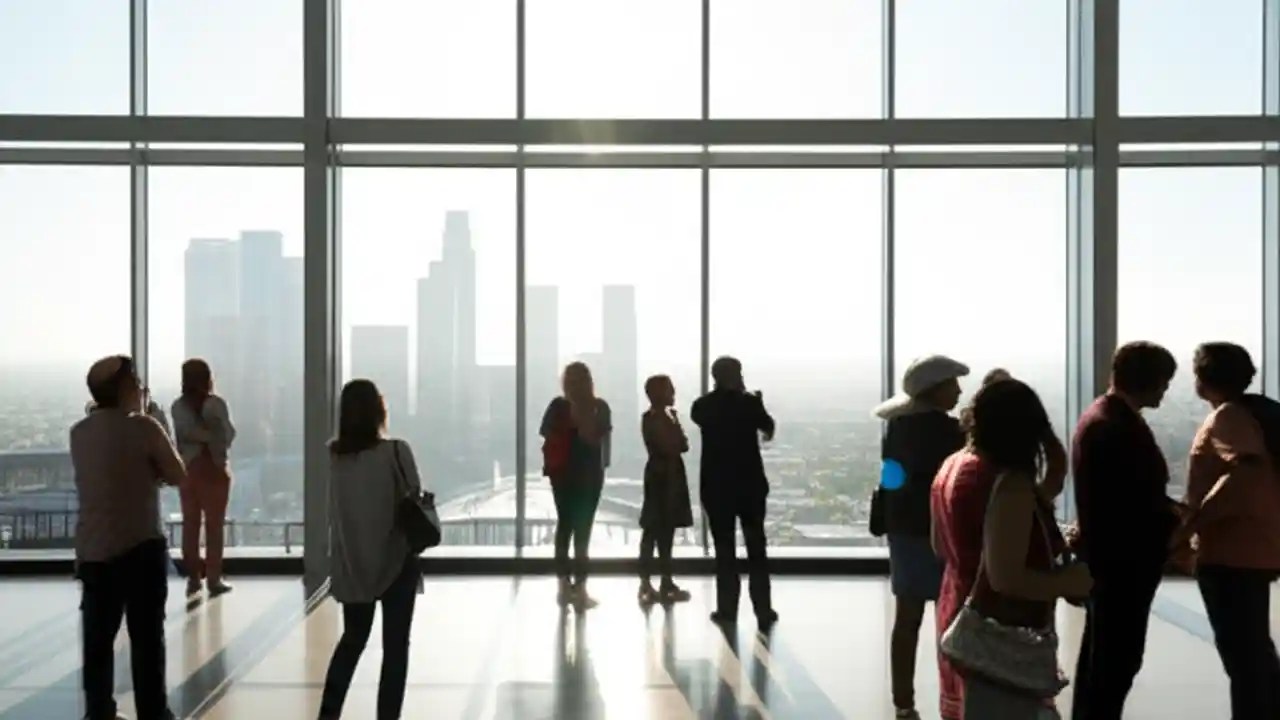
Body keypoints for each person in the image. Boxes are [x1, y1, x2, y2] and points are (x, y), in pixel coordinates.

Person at [934, 379, 1092, 719]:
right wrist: (1066, 582)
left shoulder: (954, 466)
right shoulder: (1008, 484)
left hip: (963, 612)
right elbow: (1006, 577)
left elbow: (939, 543)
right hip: (1003, 628)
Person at [71, 355, 186, 720]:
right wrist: (155, 425)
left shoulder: (79, 433)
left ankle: (99, 711)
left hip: (94, 549)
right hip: (140, 546)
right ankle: (153, 712)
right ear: (124, 388)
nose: (140, 388)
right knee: (147, 639)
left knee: (98, 642)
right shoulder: (145, 427)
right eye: (135, 382)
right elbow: (177, 474)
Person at [1070, 341, 1179, 720]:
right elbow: (1132, 504)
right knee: (1114, 663)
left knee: (1103, 661)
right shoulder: (1115, 427)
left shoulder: (1103, 418)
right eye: (1164, 382)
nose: (1165, 391)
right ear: (1150, 380)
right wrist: (1176, 523)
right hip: (1124, 565)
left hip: (1111, 563)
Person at [1172, 342, 1280, 718]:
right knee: (1256, 654)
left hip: (1230, 553)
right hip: (1260, 547)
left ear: (1202, 379)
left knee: (1244, 660)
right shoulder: (1261, 412)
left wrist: (1193, 523)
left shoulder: (1228, 417)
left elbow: (1246, 470)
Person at [319, 379, 424, 720]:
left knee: (352, 641)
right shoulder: (396, 451)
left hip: (354, 565)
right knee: (395, 650)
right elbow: (414, 497)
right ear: (379, 410)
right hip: (397, 562)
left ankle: (328, 715)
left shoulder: (336, 458)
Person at [872, 355, 968, 720]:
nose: (958, 391)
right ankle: (956, 697)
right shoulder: (953, 433)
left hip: (905, 530)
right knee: (955, 618)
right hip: (946, 530)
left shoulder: (898, 428)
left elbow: (892, 478)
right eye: (952, 384)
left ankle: (903, 701)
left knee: (907, 618)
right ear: (935, 389)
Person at [690, 356, 778, 629]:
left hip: (717, 487)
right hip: (750, 485)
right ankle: (763, 609)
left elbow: (703, 419)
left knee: (724, 550)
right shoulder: (750, 404)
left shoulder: (702, 406)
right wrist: (756, 402)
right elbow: (768, 429)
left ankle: (727, 609)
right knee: (756, 548)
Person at [540, 362, 612, 609]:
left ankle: (563, 585)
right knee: (583, 530)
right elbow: (601, 442)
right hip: (590, 474)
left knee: (565, 526)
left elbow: (547, 434)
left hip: (562, 474)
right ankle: (580, 589)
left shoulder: (558, 407)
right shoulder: (599, 407)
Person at [171, 359, 237, 597]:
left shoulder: (178, 407)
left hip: (187, 470)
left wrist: (200, 436)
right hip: (215, 469)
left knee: (190, 525)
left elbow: (184, 435)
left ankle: (193, 578)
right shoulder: (216, 404)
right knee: (214, 526)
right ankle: (213, 578)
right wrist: (213, 435)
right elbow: (228, 435)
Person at [637, 374, 694, 605]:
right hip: (666, 477)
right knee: (658, 529)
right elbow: (679, 445)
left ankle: (657, 580)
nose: (674, 393)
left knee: (658, 530)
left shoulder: (653, 418)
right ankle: (656, 581)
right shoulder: (660, 419)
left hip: (662, 475)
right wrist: (677, 428)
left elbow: (681, 445)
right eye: (670, 389)